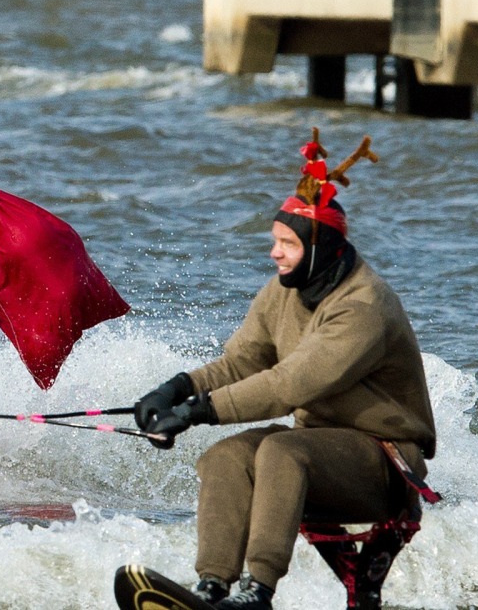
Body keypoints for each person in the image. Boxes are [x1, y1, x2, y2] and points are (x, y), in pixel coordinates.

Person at [133, 133, 437, 609]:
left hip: (386, 460)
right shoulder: (284, 290)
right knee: (225, 457)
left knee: (280, 451)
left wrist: (196, 412)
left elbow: (289, 384)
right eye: (274, 241)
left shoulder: (363, 307)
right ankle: (211, 588)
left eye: (287, 243)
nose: (274, 253)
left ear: (321, 247)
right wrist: (173, 390)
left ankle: (259, 592)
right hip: (319, 445)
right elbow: (241, 362)